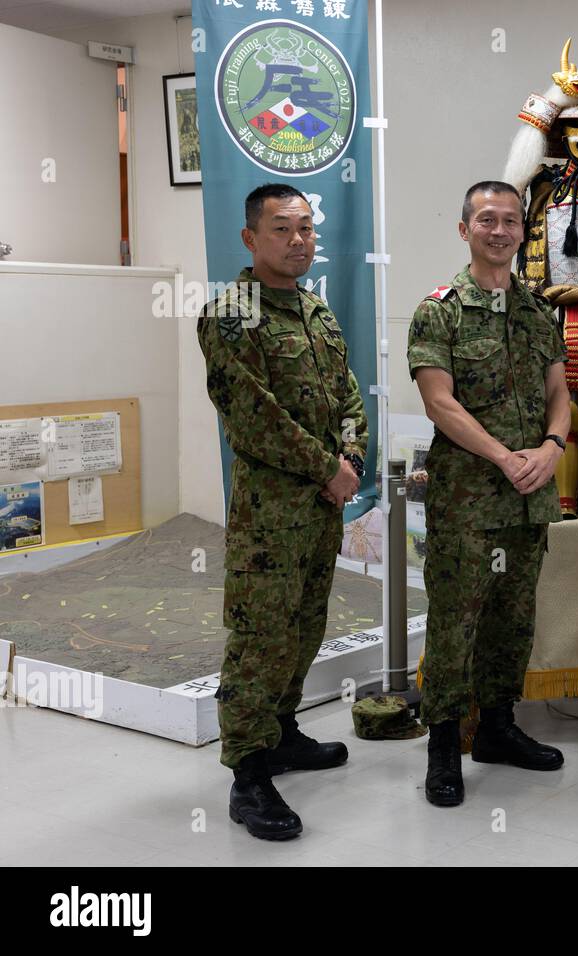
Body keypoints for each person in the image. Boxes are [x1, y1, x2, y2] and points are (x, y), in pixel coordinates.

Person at [198, 182, 368, 840]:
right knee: (259, 640)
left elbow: (348, 396)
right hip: (270, 516)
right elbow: (253, 417)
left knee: (303, 628)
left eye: (306, 229)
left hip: (321, 510)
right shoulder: (230, 314)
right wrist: (329, 468)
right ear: (250, 238)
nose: (298, 240)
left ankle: (283, 731)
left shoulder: (316, 313)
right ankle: (247, 772)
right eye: (282, 230)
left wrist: (349, 457)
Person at [407, 181, 571, 808]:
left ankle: (499, 728)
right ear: (465, 229)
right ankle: (445, 743)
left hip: (530, 496)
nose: (499, 231)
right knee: (456, 623)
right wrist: (505, 456)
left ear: (523, 232)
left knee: (513, 618)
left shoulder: (537, 312)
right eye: (486, 220)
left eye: (510, 221)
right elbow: (439, 401)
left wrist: (553, 447)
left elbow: (562, 392)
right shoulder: (439, 310)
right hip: (469, 500)